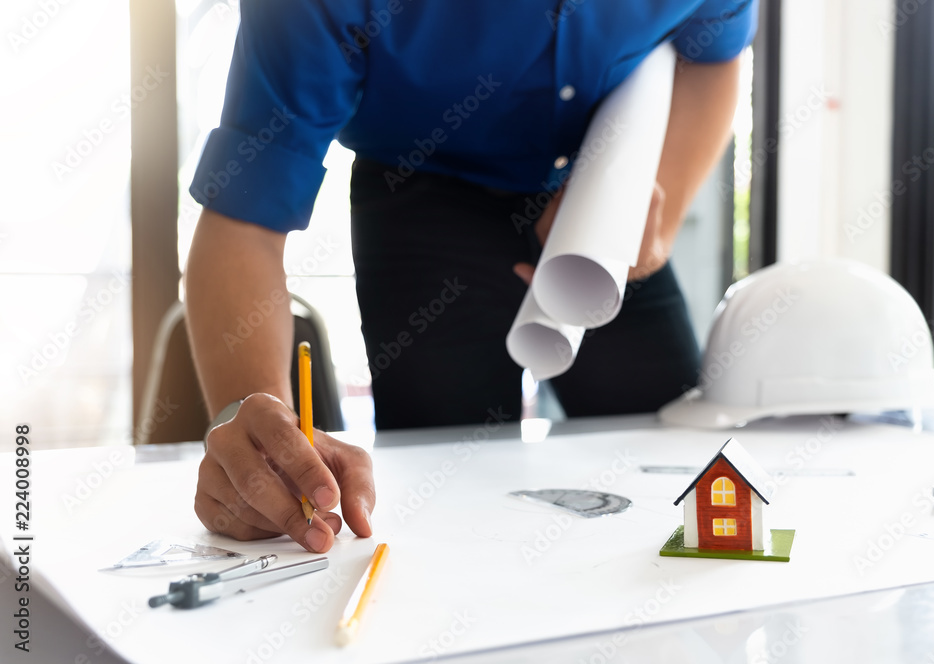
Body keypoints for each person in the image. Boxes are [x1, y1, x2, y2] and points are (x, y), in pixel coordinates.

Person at [185, 0, 758, 553]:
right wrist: (254, 427)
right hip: (422, 181)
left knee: (682, 461)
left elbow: (714, 54)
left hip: (603, 184)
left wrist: (665, 197)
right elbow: (245, 215)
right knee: (449, 484)